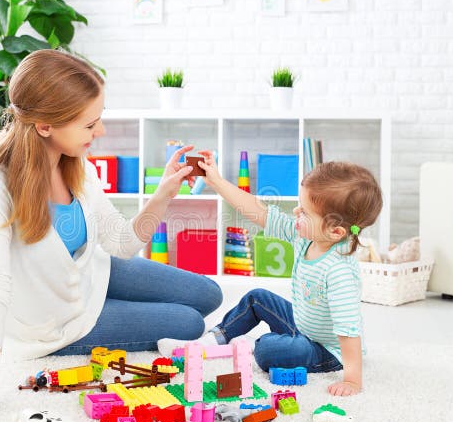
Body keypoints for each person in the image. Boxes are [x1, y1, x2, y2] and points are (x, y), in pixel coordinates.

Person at [0, 49, 222, 422]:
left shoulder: (75, 164)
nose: (100, 132)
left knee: (209, 294)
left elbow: (121, 242)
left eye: (98, 119)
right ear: (45, 126)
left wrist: (164, 193)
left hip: (91, 273)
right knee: (189, 323)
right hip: (55, 322)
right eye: (89, 125)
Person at [158, 155, 382, 397]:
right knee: (257, 298)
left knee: (266, 349)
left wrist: (352, 380)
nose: (296, 212)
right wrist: (217, 182)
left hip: (327, 350)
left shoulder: (339, 271)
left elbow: (348, 331)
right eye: (299, 205)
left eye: (305, 212)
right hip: (303, 325)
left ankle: (265, 343)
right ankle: (212, 341)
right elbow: (260, 212)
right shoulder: (306, 236)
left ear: (335, 231)